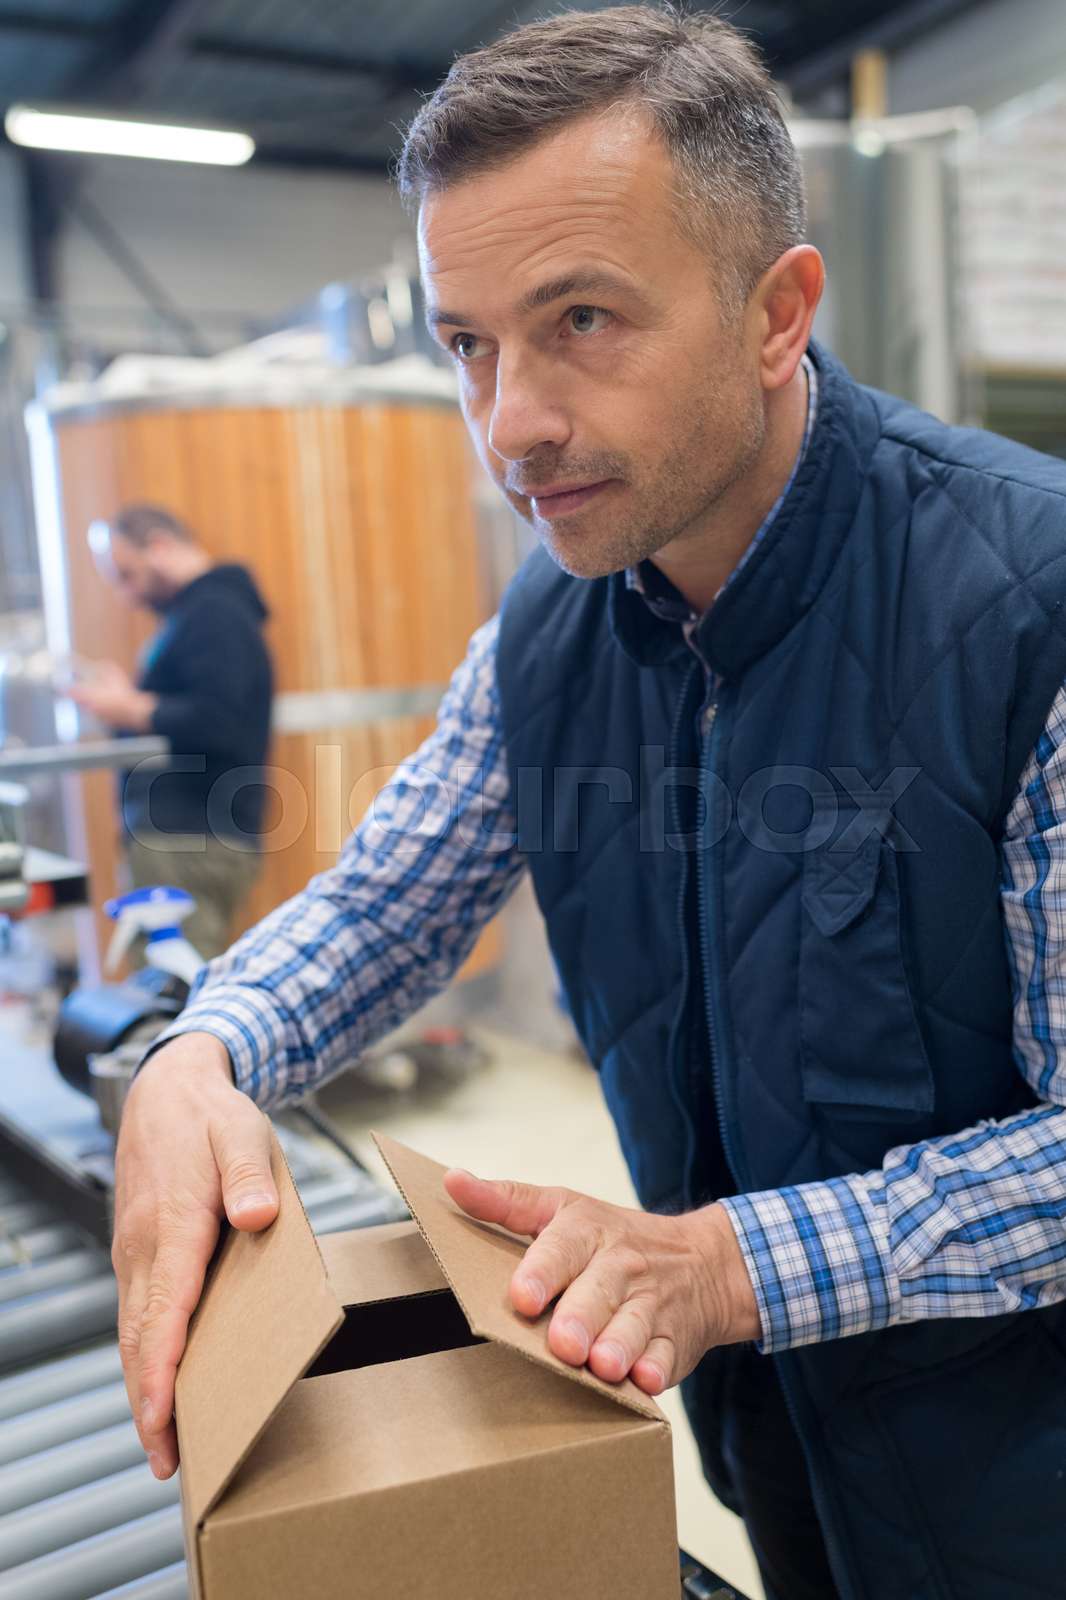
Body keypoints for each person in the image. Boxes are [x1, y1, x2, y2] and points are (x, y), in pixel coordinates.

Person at [112, 11, 1066, 1599]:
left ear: (778, 311)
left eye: (581, 321)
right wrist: (203, 1053)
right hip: (769, 1461)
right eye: (469, 343)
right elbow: (384, 901)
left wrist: (723, 1262)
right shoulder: (553, 629)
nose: (509, 424)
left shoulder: (1025, 609)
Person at [69, 504, 273, 960]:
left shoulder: (214, 613)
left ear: (159, 548)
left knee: (172, 991)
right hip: (187, 837)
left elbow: (219, 720)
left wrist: (132, 707)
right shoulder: (202, 615)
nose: (128, 595)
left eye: (127, 574)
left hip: (188, 839)